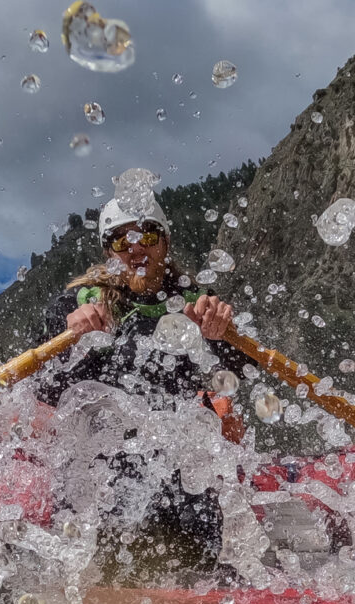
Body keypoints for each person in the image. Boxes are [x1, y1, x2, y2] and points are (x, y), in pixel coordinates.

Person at [34, 192, 245, 581]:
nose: (135, 248)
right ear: (109, 252)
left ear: (165, 243)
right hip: (100, 475)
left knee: (194, 533)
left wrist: (221, 332)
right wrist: (69, 339)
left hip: (177, 471)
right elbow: (42, 391)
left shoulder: (195, 306)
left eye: (147, 235)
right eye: (121, 240)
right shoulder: (75, 305)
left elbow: (238, 376)